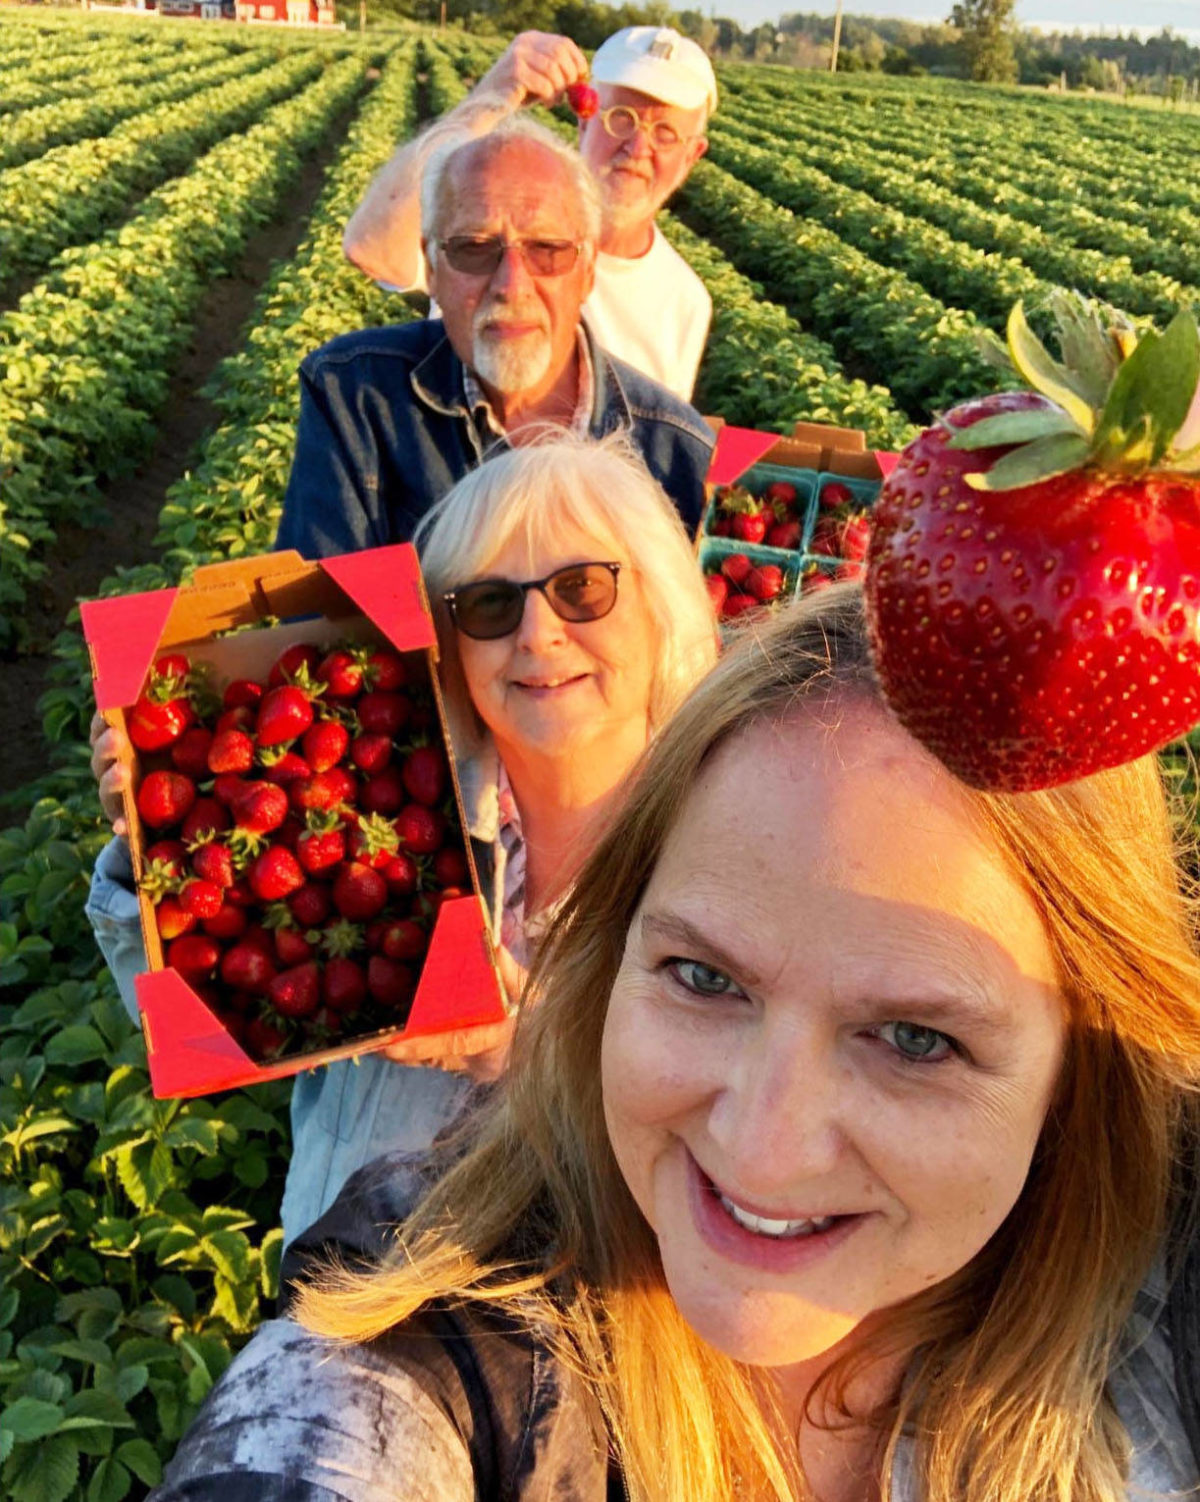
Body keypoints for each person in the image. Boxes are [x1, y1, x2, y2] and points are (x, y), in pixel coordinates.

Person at [148, 586, 1200, 1501]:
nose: (763, 1145)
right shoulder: (441, 1337)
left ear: (1088, 1065)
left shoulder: (1164, 1289)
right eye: (704, 977)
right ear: (612, 955)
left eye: (916, 1039)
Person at [87, 434, 718, 1248]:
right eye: (489, 605)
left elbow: (722, 1115)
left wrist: (518, 1045)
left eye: (582, 589)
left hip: (578, 1289)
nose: (538, 634)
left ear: (661, 609)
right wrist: (153, 840)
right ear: (444, 645)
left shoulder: (718, 847)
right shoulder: (391, 807)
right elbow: (201, 1017)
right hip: (345, 1274)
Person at [275, 113, 713, 560]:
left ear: (587, 272)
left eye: (547, 249)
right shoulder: (358, 398)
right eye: (474, 248)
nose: (512, 285)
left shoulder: (675, 455)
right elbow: (322, 600)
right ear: (432, 269)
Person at [342, 26, 716, 401]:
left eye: (665, 133)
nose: (637, 147)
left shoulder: (685, 303)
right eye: (621, 118)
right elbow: (372, 248)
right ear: (585, 120)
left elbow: (658, 436)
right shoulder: (494, 212)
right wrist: (489, 98)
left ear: (692, 155)